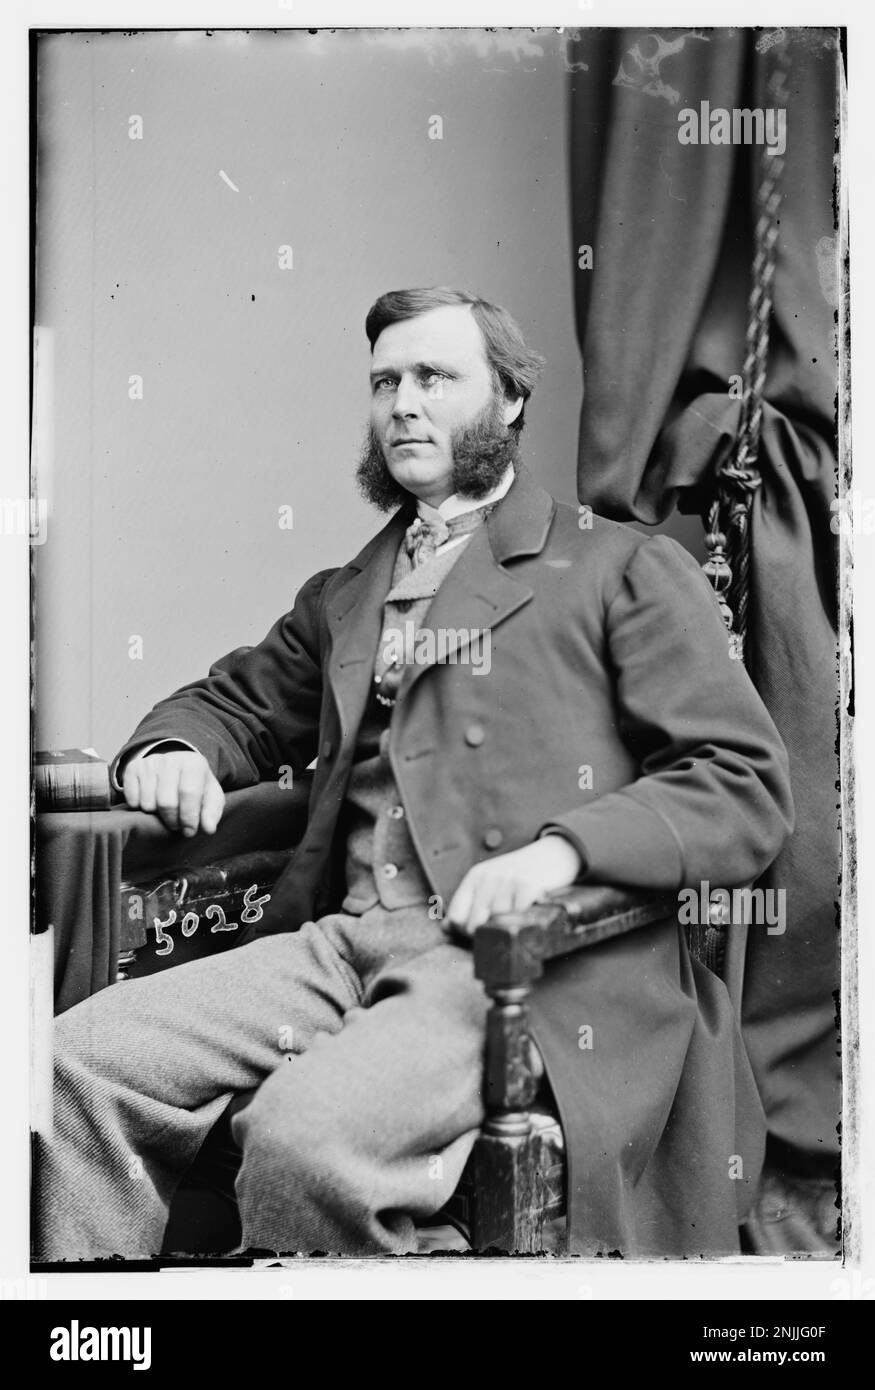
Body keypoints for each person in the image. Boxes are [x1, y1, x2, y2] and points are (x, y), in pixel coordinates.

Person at [35, 287, 794, 1261]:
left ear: (509, 402)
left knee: (306, 1144)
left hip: (518, 961)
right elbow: (233, 703)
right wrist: (175, 751)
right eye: (384, 381)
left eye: (434, 377)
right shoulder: (346, 594)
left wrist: (561, 854)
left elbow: (740, 781)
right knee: (67, 1066)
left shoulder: (618, 569)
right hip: (338, 942)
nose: (402, 403)